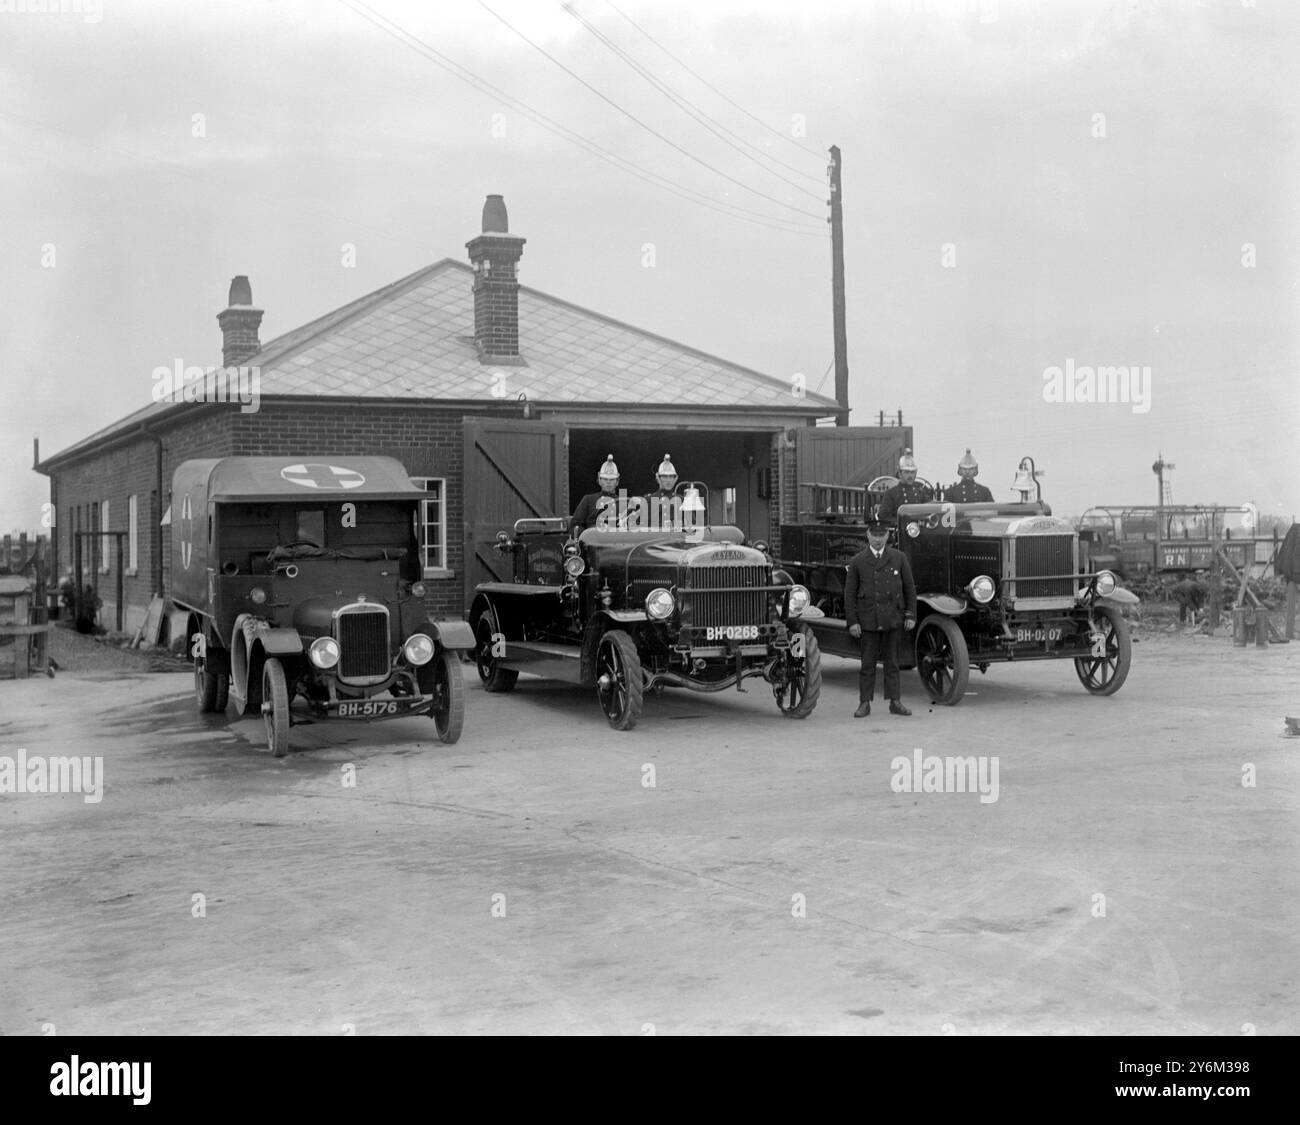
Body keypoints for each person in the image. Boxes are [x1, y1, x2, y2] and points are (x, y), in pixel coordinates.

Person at [844, 517, 917, 717]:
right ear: (867, 535)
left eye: (881, 535)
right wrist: (853, 622)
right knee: (867, 665)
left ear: (888, 536)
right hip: (868, 621)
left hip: (892, 619)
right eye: (874, 535)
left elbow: (909, 588)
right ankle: (864, 703)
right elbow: (849, 595)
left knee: (892, 663)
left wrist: (910, 614)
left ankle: (895, 702)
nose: (878, 539)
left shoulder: (899, 558)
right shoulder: (858, 561)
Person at [876, 448, 933, 524]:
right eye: (906, 472)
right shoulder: (891, 494)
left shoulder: (920, 492)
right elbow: (884, 517)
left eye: (912, 472)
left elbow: (930, 510)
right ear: (899, 473)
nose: (910, 476)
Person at [570, 455, 622, 533]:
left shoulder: (624, 503)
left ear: (617, 482)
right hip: (592, 542)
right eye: (605, 479)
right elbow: (575, 525)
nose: (608, 482)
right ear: (599, 480)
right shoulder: (588, 500)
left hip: (615, 541)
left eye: (611, 479)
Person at [644, 454, 680, 530]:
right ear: (658, 478)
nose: (668, 480)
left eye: (671, 476)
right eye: (664, 476)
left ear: (675, 478)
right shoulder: (649, 500)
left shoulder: (681, 499)